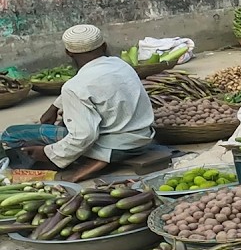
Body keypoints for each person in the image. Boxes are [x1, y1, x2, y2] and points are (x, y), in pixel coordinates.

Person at [1, 25, 154, 182]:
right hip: (142, 137)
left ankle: (63, 162)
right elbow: (93, 88)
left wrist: (49, 153)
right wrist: (55, 106)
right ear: (104, 46)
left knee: (11, 133)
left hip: (115, 148)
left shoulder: (75, 86)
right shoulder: (120, 64)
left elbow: (85, 135)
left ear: (68, 52)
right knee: (68, 122)